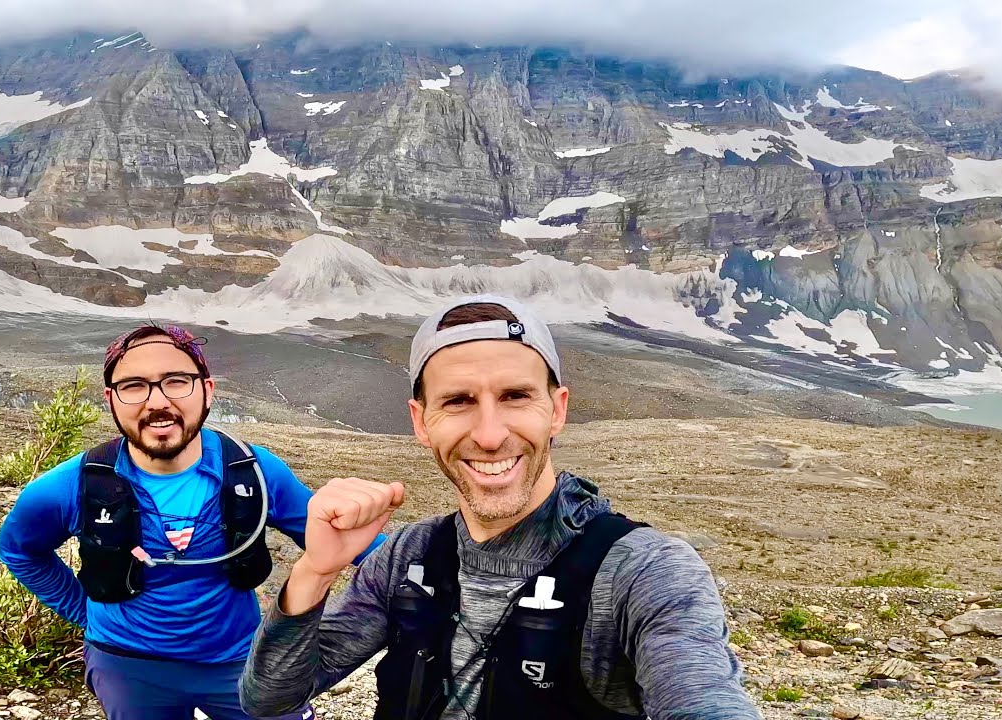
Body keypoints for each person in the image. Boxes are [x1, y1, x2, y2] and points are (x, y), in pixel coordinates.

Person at [238, 294, 759, 719]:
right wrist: (315, 570)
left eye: (515, 396)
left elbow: (702, 697)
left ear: (557, 410)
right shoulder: (406, 556)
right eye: (458, 401)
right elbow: (270, 699)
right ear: (421, 422)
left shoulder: (642, 571)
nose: (489, 435)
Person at [0, 323, 382, 720]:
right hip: (127, 668)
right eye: (134, 386)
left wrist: (413, 566)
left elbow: (350, 544)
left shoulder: (255, 471)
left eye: (177, 381)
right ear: (111, 399)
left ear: (207, 390)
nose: (157, 401)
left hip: (242, 662)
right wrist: (84, 612)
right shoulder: (70, 486)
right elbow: (19, 550)